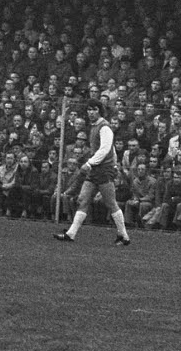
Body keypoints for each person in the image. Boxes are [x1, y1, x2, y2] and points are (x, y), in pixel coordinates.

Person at [55, 93, 132, 245]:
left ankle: (124, 236)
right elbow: (111, 150)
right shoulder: (95, 127)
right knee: (83, 199)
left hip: (103, 169)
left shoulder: (104, 127)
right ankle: (71, 234)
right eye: (89, 109)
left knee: (111, 203)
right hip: (96, 169)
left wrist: (90, 163)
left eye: (94, 109)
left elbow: (105, 149)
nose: (91, 112)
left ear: (100, 110)